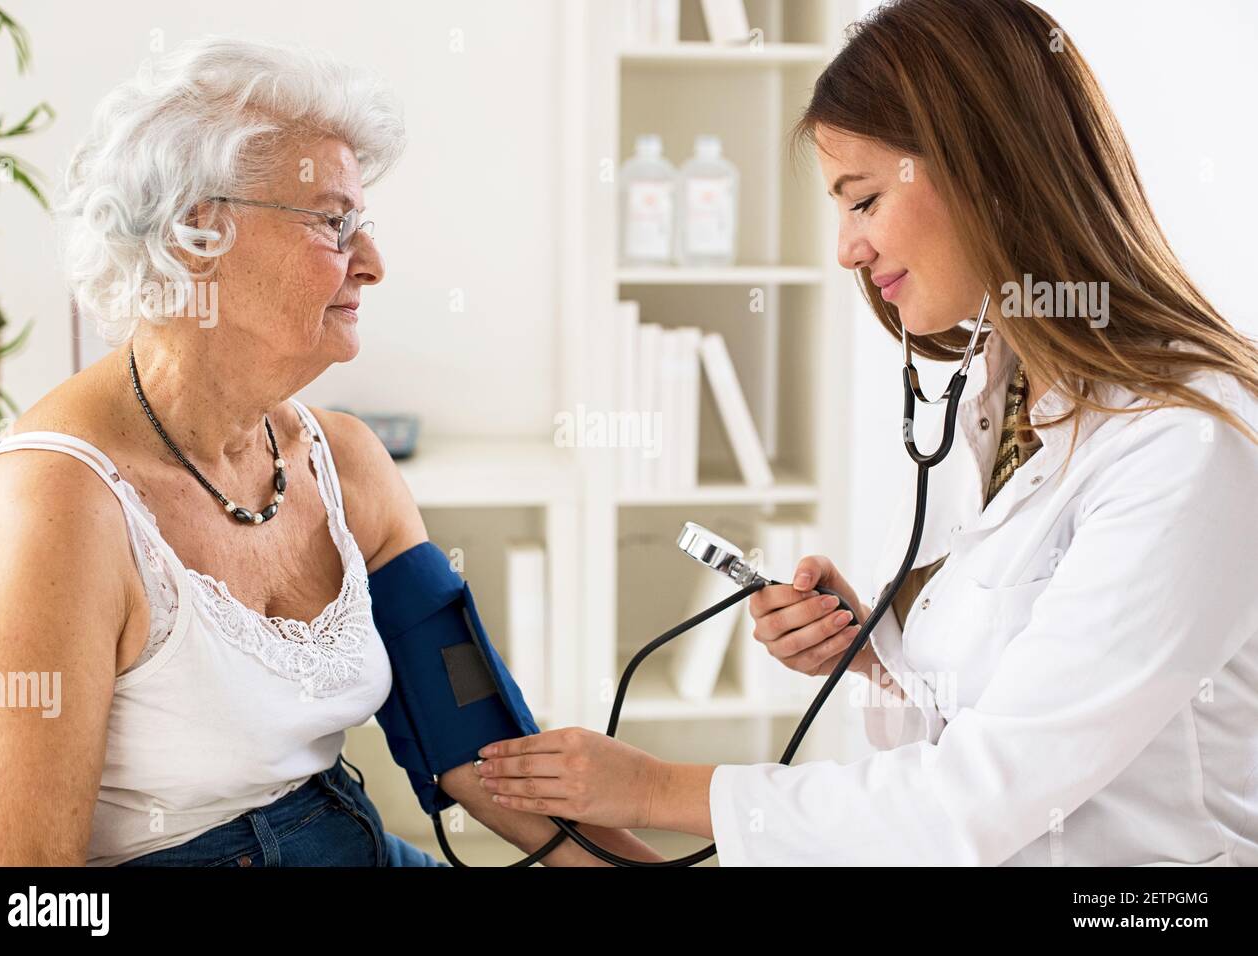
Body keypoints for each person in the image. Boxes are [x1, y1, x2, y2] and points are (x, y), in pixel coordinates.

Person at [473, 0, 1258, 866]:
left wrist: (655, 788)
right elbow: (971, 722)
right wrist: (875, 651)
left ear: (988, 171)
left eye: (866, 200)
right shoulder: (993, 398)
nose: (847, 249)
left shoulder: (1185, 447)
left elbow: (977, 794)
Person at [0, 35, 658, 867]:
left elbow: (480, 749)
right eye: (334, 223)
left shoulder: (347, 462)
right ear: (194, 234)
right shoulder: (54, 503)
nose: (374, 264)